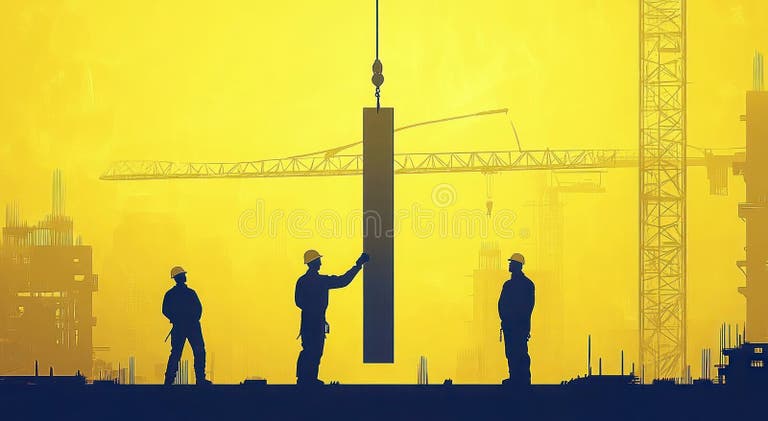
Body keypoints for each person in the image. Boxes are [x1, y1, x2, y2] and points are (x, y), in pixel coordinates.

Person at [295, 250, 369, 385]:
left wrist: (311, 310)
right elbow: (343, 281)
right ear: (314, 263)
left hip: (309, 322)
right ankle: (307, 380)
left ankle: (307, 379)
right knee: (314, 350)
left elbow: (298, 301)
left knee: (311, 350)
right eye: (318, 260)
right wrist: (358, 265)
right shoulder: (321, 281)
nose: (321, 263)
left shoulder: (303, 281)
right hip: (315, 322)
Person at [162, 266, 211, 386]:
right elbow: (199, 309)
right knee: (198, 351)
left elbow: (165, 310)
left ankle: (169, 380)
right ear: (180, 277)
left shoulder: (171, 294)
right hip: (191, 326)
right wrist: (188, 319)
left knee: (177, 353)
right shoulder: (189, 293)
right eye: (184, 274)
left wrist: (176, 319)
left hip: (181, 327)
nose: (185, 276)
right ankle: (200, 379)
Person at [498, 253, 535, 386]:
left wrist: (515, 321)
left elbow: (528, 306)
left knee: (519, 352)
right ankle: (515, 377)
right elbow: (501, 305)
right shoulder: (510, 285)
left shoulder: (525, 285)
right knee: (511, 353)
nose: (509, 265)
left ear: (518, 266)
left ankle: (522, 379)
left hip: (518, 327)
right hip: (512, 326)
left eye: (512, 263)